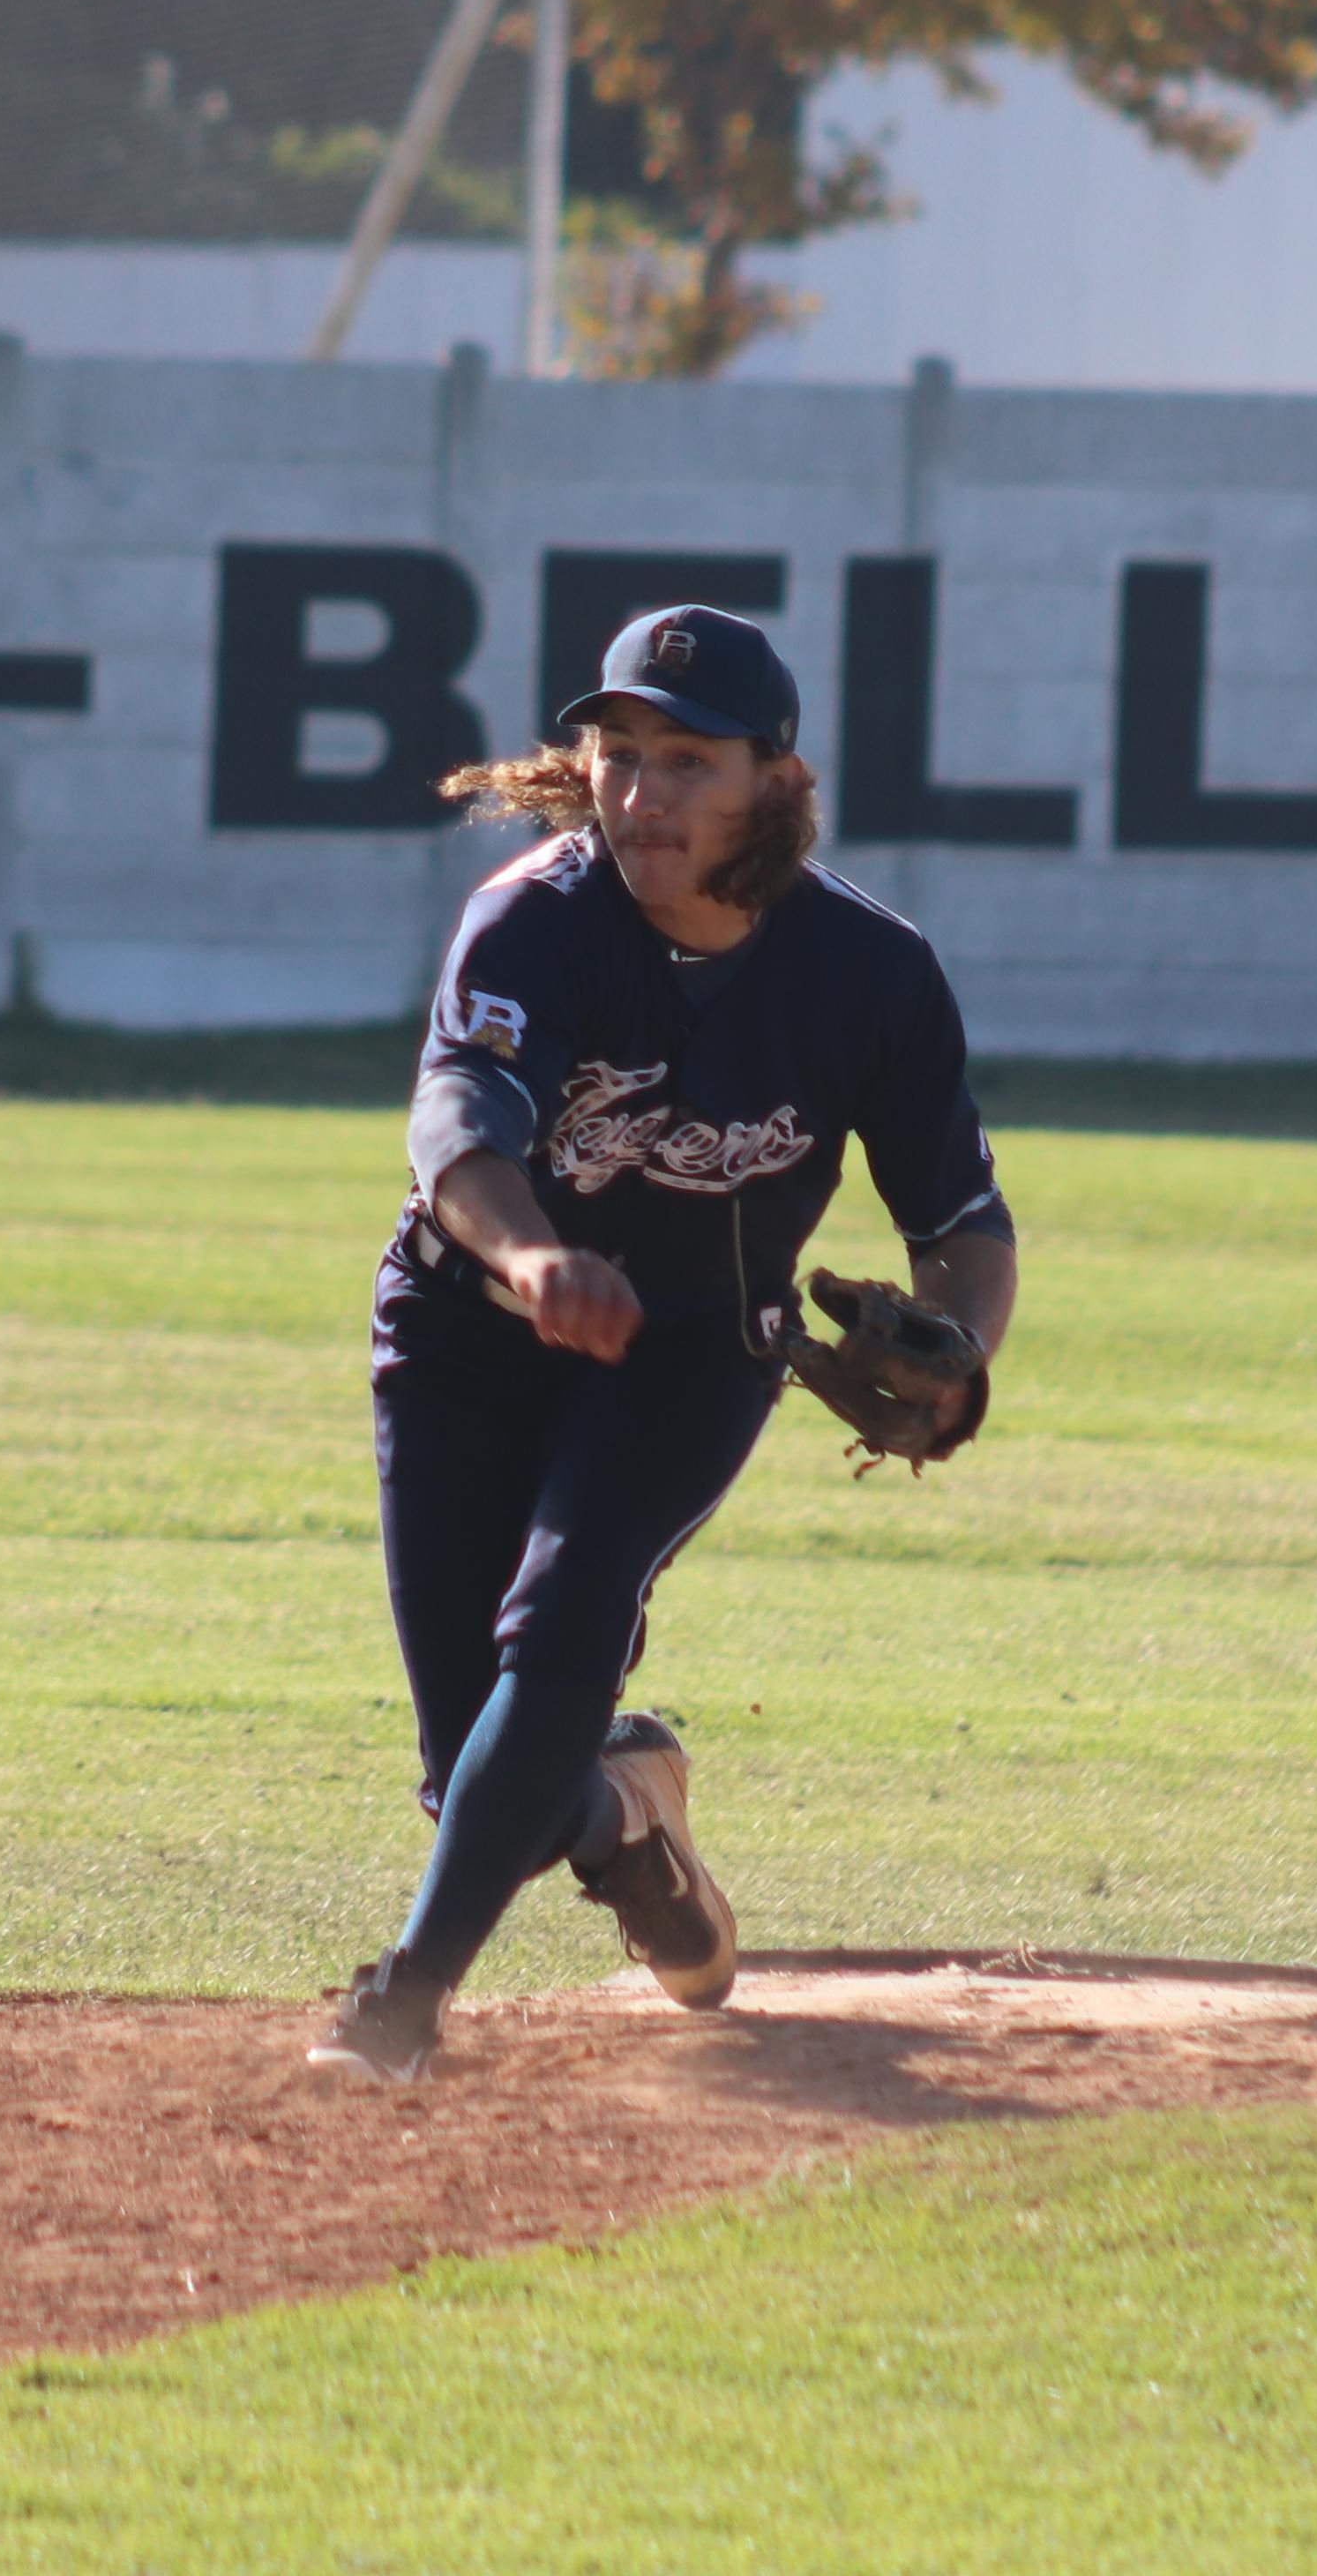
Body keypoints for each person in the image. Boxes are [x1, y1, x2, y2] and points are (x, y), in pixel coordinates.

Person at [314, 605, 1016, 2088]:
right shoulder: (534, 919)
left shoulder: (871, 975)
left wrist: (957, 1348)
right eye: (617, 753)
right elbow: (456, 1124)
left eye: (688, 761)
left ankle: (401, 2005)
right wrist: (533, 1253)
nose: (641, 794)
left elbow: (961, 1212)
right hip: (466, 1331)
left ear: (778, 779)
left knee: (564, 1623)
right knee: (478, 1783)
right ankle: (627, 1822)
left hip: (690, 1352)